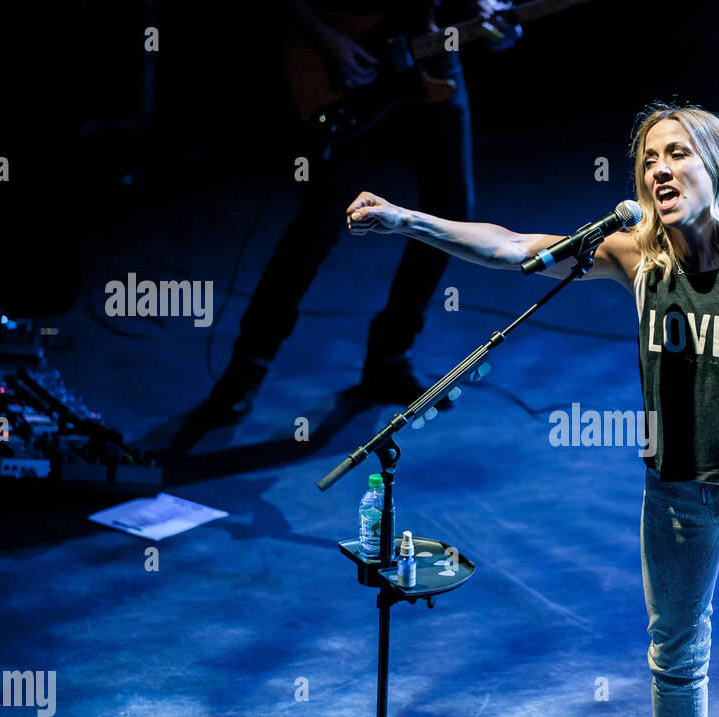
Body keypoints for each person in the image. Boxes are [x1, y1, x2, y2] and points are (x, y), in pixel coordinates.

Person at [347, 102, 719, 717]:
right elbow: (514, 249)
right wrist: (409, 219)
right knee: (672, 658)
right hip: (673, 492)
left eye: (677, 154)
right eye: (647, 159)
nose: (659, 170)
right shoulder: (635, 256)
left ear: (718, 166)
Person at [195, 0, 514, 429]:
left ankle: (390, 357)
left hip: (432, 54)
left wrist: (495, 24)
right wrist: (327, 41)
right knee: (319, 224)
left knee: (450, 216)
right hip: (345, 46)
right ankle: (246, 367)